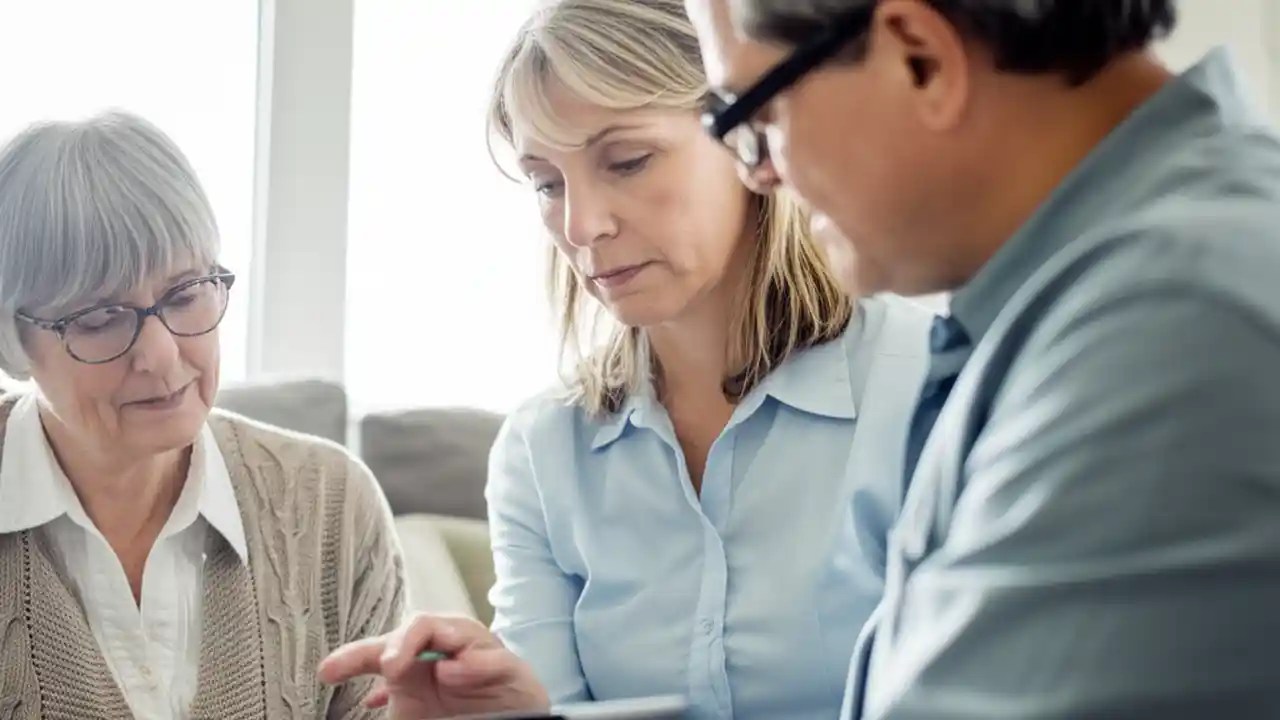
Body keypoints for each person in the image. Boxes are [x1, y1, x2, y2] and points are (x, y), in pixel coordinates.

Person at [319, 1, 931, 718]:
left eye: (628, 160)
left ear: (751, 134)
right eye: (548, 182)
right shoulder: (544, 450)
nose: (581, 225)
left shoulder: (928, 384)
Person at [685, 0, 1280, 717]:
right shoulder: (1092, 296)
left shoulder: (1171, 329)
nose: (759, 174)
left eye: (759, 115)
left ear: (920, 58)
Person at [0, 111, 405, 719]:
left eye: (185, 294)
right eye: (100, 319)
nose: (162, 356)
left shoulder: (333, 509)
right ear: (12, 341)